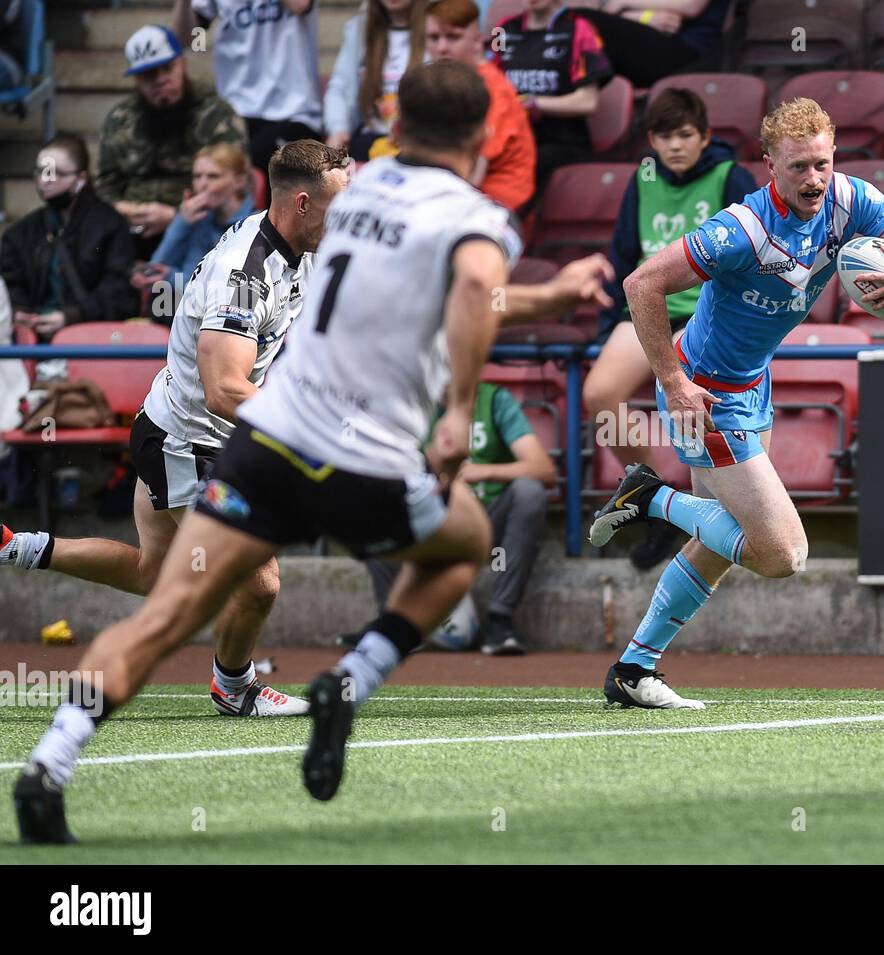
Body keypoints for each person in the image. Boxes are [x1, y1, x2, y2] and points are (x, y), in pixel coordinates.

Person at [12, 61, 616, 843]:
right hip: (332, 445)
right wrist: (461, 409)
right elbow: (471, 292)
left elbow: (448, 288)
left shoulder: (355, 200)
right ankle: (349, 680)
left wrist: (542, 297)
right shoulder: (468, 215)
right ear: (484, 135)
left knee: (165, 605)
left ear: (397, 127)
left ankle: (50, 760)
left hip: (265, 443)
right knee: (465, 538)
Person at [588, 98, 884, 709]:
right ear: (770, 166)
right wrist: (673, 383)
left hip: (752, 386)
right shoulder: (742, 230)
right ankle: (649, 497)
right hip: (705, 395)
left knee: (720, 540)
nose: (814, 179)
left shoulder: (849, 200)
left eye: (822, 164)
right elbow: (640, 283)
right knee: (784, 554)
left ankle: (633, 669)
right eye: (798, 167)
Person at [1, 140, 352, 729]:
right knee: (259, 582)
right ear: (302, 203)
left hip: (176, 427)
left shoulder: (299, 246)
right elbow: (224, 389)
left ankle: (15, 546)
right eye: (341, 204)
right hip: (189, 443)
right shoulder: (244, 277)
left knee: (155, 573)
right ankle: (234, 688)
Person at [584, 87, 755, 569]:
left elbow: (753, 251)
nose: (675, 146)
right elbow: (623, 253)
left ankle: (709, 516)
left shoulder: (730, 175)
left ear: (704, 136)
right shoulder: (643, 176)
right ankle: (656, 498)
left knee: (692, 403)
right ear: (652, 140)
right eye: (664, 136)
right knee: (599, 394)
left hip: (706, 312)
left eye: (684, 135)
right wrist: (607, 324)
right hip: (646, 308)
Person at [366, 380, 556, 655]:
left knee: (529, 492)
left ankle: (500, 620)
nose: (445, 376)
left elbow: (543, 469)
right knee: (373, 501)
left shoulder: (495, 401)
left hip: (487, 523)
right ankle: (391, 625)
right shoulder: (411, 404)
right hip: (431, 521)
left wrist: (484, 471)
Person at [371, 0, 535, 213]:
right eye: (434, 38)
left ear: (477, 41)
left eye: (453, 37)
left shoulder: (492, 89)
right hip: (450, 190)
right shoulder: (445, 82)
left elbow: (472, 176)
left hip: (494, 204)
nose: (442, 48)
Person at [98, 24, 246, 258]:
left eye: (167, 69)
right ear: (136, 80)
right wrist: (124, 209)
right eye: (148, 75)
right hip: (130, 226)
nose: (160, 80)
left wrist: (177, 217)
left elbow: (234, 182)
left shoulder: (215, 113)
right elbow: (106, 185)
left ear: (182, 64)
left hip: (199, 225)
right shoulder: (121, 119)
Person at [0, 133, 137, 341]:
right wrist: (18, 310)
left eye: (55, 173)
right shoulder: (19, 233)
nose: (44, 180)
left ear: (81, 178)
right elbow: (11, 282)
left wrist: (72, 316)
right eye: (40, 171)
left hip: (91, 341)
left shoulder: (110, 225)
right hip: (33, 341)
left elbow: (119, 292)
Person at [173, 0, 325, 175]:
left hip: (292, 112)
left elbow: (300, 5)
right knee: (203, 166)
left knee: (244, 167)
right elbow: (185, 39)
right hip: (235, 111)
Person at [490, 0, 612, 192]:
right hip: (512, 137)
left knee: (520, 165)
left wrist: (534, 103)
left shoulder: (579, 27)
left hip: (562, 141)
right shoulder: (503, 29)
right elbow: (491, 84)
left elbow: (588, 101)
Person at [133, 143, 255, 305]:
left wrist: (171, 278)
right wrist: (181, 222)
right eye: (197, 176)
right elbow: (154, 271)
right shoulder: (197, 220)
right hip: (179, 310)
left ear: (239, 181)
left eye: (213, 176)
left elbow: (233, 296)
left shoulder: (254, 227)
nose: (202, 184)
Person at [324, 0, 429, 159]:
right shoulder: (359, 28)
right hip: (368, 139)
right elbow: (340, 87)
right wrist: (338, 129)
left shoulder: (436, 28)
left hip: (417, 142)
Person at [577, 0, 732, 88]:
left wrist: (623, 1)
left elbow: (689, 6)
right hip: (648, 36)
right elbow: (608, 9)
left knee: (584, 21)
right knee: (579, 21)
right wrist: (642, 16)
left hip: (688, 53)